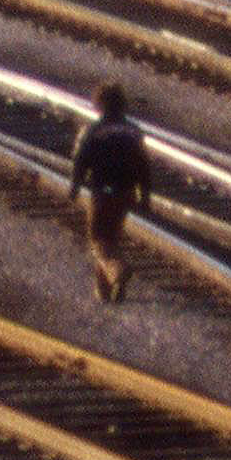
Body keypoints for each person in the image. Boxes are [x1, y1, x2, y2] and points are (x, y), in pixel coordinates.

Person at [67, 84, 149, 305]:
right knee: (111, 238)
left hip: (101, 191)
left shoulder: (92, 131)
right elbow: (144, 165)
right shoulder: (134, 132)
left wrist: (74, 187)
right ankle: (104, 291)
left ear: (99, 104)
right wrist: (145, 195)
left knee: (97, 240)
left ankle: (118, 271)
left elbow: (80, 161)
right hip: (125, 193)